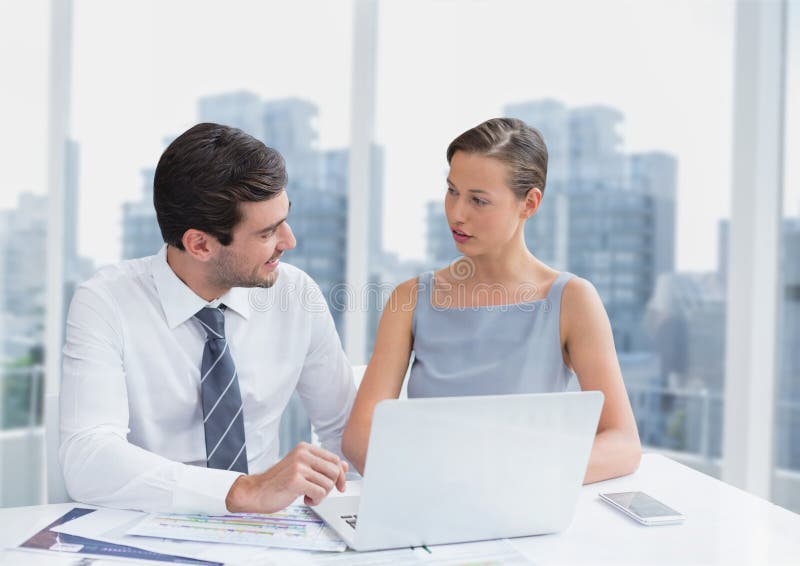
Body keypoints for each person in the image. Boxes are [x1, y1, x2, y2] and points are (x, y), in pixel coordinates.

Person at [60, 123, 355, 515]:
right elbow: (87, 459)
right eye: (267, 232)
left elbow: (344, 432)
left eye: (284, 219)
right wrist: (243, 491)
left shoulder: (296, 294)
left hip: (271, 534)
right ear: (199, 244)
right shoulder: (106, 302)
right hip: (150, 527)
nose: (289, 241)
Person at [342, 118, 641, 482]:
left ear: (529, 203)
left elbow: (623, 443)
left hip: (524, 505)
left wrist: (516, 474)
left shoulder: (571, 300)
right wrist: (430, 480)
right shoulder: (410, 298)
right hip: (427, 501)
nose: (457, 213)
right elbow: (360, 436)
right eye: (452, 191)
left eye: (479, 200)